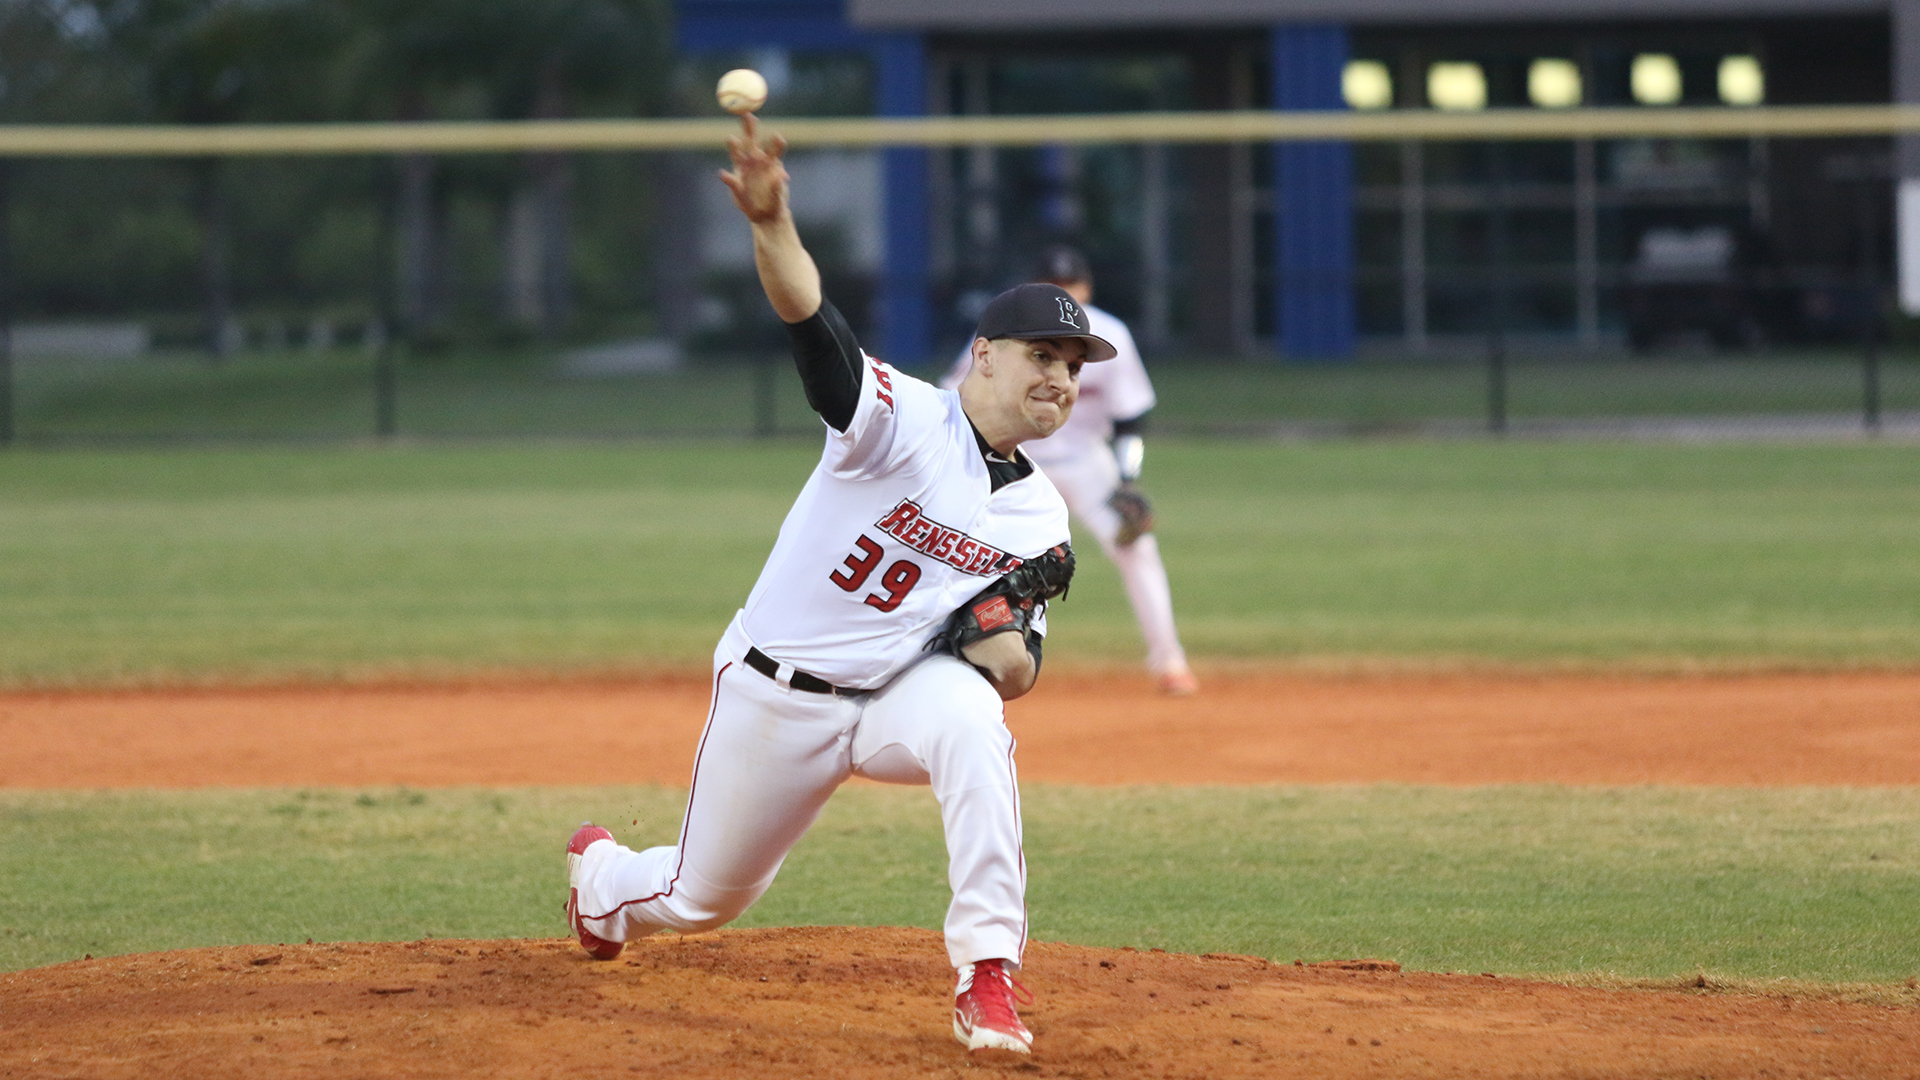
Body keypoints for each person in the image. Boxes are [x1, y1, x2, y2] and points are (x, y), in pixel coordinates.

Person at [563, 113, 1115, 1058]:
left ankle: (988, 976)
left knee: (976, 724)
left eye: (1070, 368)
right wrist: (773, 226)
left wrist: (999, 624)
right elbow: (815, 332)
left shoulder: (1044, 517)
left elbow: (1014, 672)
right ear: (983, 354)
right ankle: (601, 882)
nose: (1059, 380)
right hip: (779, 692)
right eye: (1040, 357)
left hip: (897, 693)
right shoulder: (903, 422)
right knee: (701, 900)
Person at [945, 246, 1197, 696]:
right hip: (1014, 462)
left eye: (1071, 286)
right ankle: (958, 660)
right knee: (969, 556)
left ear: (1086, 289)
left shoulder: (1109, 334)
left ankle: (1170, 661)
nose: (1065, 293)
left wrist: (1126, 480)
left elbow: (1130, 418)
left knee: (1136, 548)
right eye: (1054, 284)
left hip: (1086, 463)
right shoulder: (1009, 333)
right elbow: (956, 394)